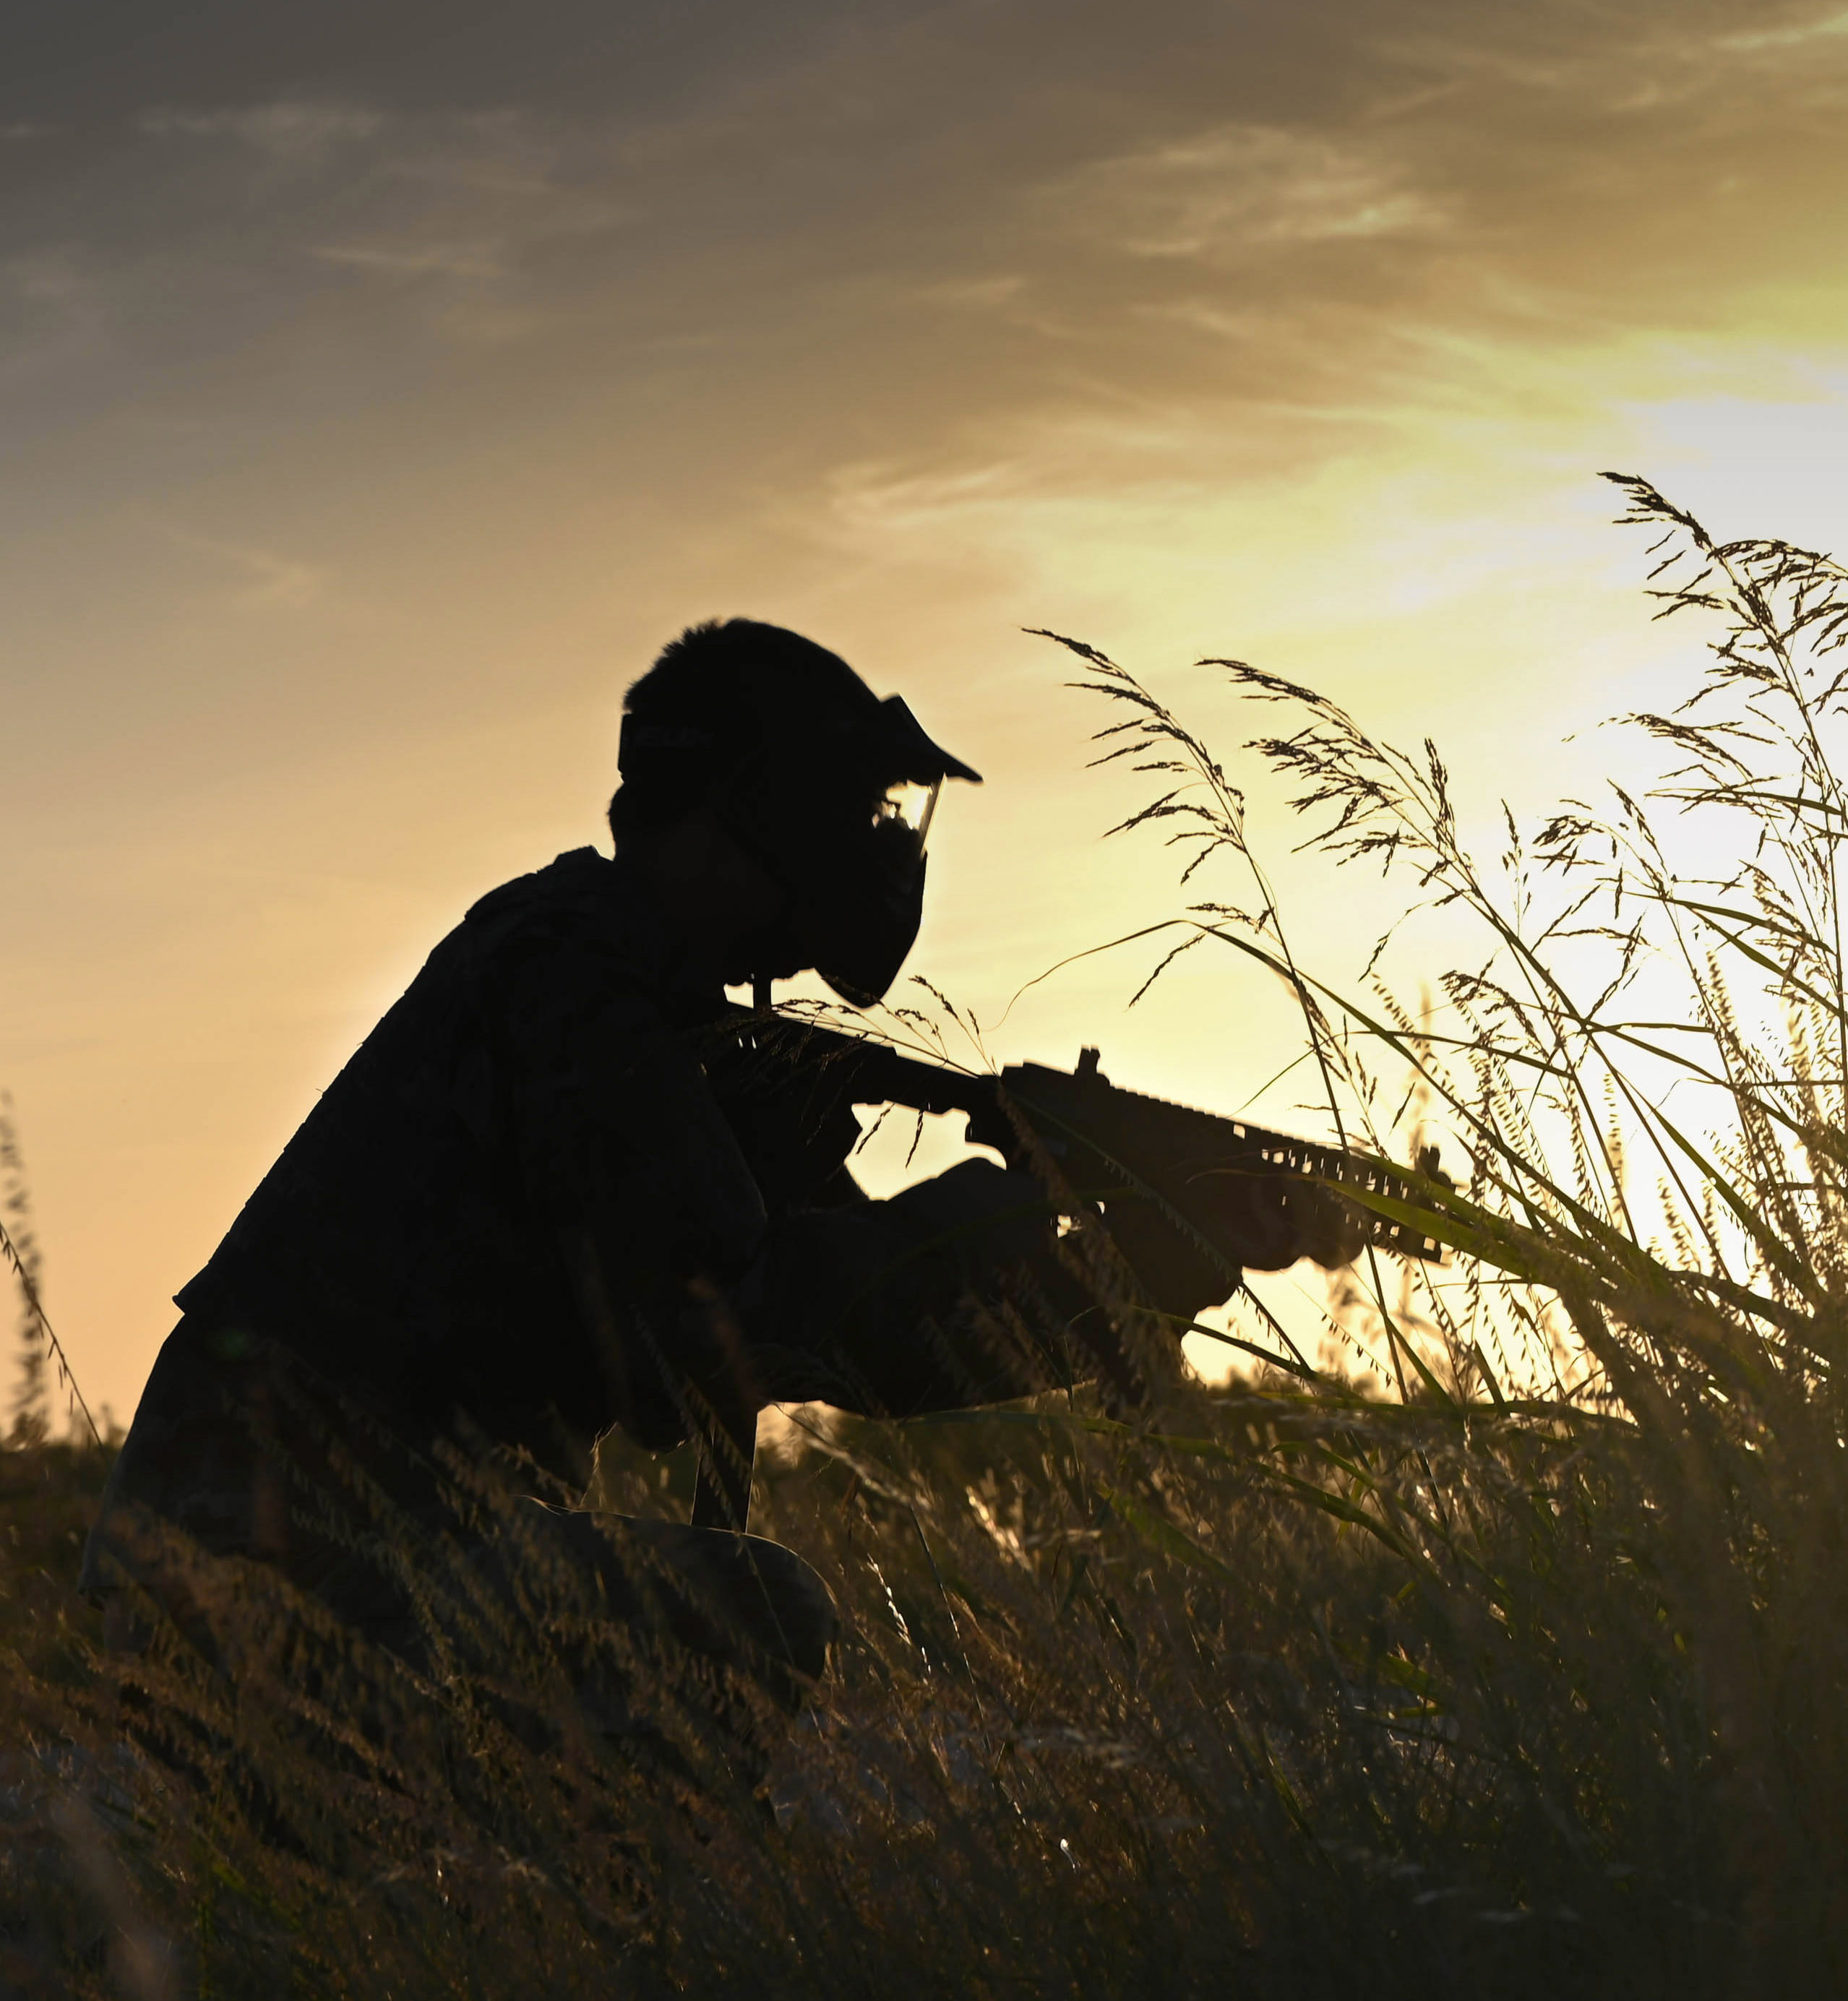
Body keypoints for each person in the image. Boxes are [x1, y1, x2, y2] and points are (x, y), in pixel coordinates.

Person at [78, 619, 1332, 1787]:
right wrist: (1036, 1217)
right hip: (267, 1579)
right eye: (863, 809)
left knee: (703, 1619)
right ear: (757, 812)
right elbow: (758, 1313)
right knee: (749, 1612)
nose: (889, 843)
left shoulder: (652, 1002)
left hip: (320, 1562)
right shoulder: (580, 986)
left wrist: (1125, 1279)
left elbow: (866, 1335)